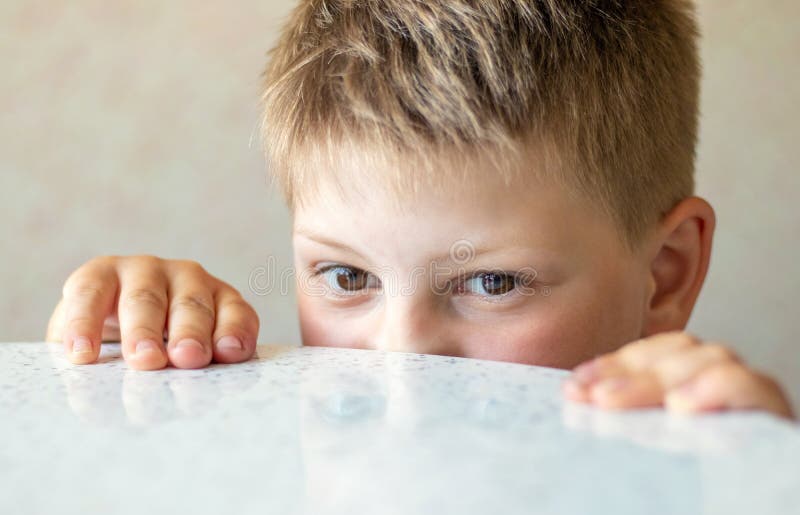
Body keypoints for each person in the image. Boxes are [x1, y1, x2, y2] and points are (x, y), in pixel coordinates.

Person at [45, 0, 794, 419]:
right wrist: (150, 345)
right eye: (345, 276)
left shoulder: (689, 459)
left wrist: (754, 481)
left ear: (665, 275)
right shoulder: (310, 445)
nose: (399, 358)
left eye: (493, 283)